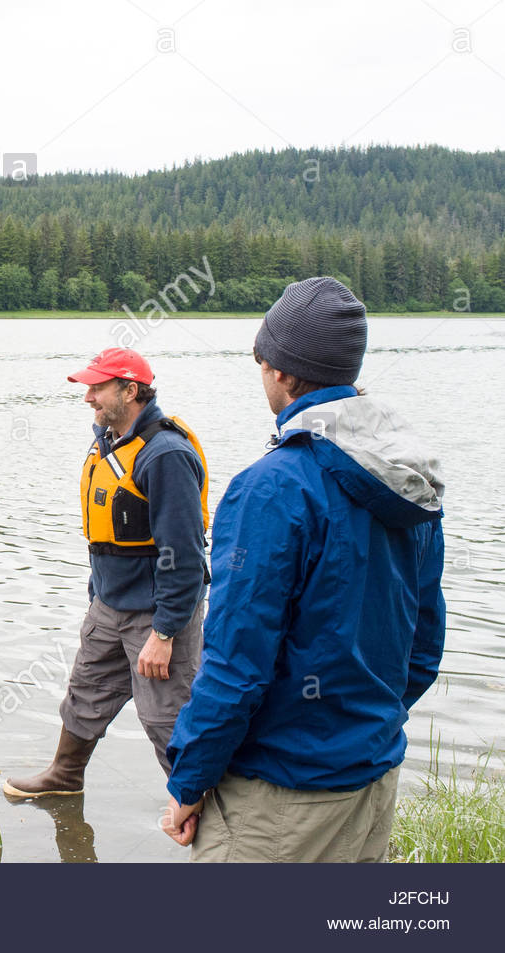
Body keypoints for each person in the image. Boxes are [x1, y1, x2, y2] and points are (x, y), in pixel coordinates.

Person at [162, 277, 446, 862]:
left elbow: (236, 668)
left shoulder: (269, 490)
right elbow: (423, 646)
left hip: (279, 802)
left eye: (262, 361)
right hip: (371, 783)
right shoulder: (410, 481)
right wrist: (361, 730)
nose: (262, 373)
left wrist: (188, 783)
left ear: (284, 373)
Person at [4, 347, 208, 799]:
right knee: (84, 695)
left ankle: (205, 809)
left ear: (130, 390)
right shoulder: (109, 440)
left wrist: (166, 631)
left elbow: (186, 556)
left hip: (157, 614)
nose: (88, 398)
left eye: (97, 388)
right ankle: (65, 776)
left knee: (167, 718)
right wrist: (97, 595)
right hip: (109, 605)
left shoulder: (166, 454)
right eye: (87, 388)